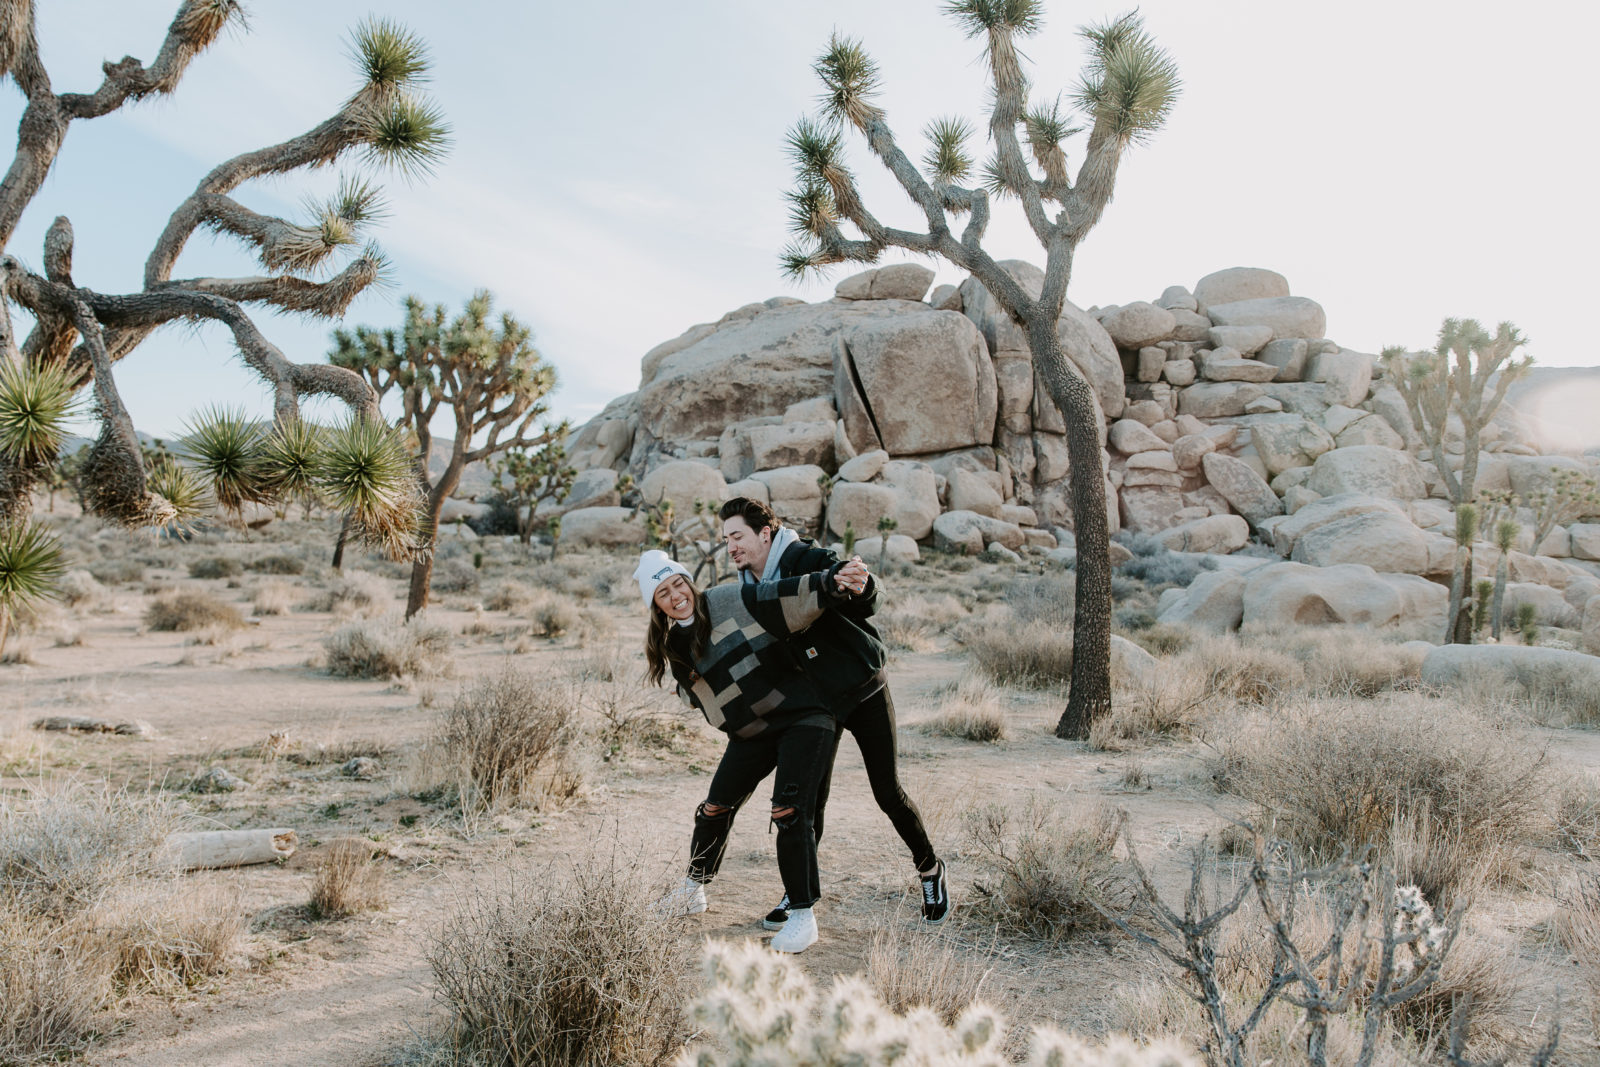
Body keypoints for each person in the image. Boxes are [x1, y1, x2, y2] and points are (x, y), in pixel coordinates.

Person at [719, 497, 949, 927]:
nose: (731, 547)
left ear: (764, 534)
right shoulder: (745, 588)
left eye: (738, 537)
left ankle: (930, 869)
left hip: (863, 689)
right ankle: (798, 895)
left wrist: (861, 583)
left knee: (888, 792)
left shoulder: (806, 557)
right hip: (816, 706)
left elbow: (856, 586)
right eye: (726, 539)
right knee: (808, 804)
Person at [634, 547, 868, 954]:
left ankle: (802, 916)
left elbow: (782, 595)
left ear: (688, 581)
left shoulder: (725, 600)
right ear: (655, 605)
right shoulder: (673, 644)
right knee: (714, 807)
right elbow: (700, 693)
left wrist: (832, 580)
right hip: (751, 733)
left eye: (678, 584)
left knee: (789, 811)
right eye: (663, 594)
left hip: (803, 717)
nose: (676, 596)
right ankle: (693, 890)